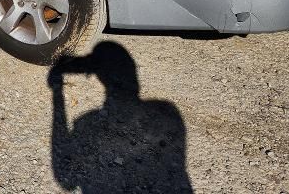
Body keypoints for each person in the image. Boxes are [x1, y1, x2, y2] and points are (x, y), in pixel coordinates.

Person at [49, 41, 192, 193]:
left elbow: (66, 180)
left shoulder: (87, 123)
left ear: (101, 76)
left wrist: (57, 94)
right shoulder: (167, 111)